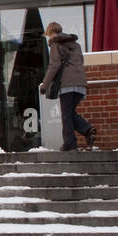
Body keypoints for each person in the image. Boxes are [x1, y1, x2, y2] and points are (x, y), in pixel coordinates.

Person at [39, 22, 97, 151]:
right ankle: (86, 130)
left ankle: (70, 143)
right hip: (80, 82)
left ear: (51, 33)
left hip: (66, 83)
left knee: (66, 115)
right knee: (69, 113)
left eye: (48, 35)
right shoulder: (76, 45)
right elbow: (81, 62)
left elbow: (54, 66)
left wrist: (45, 85)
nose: (49, 38)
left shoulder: (56, 43)